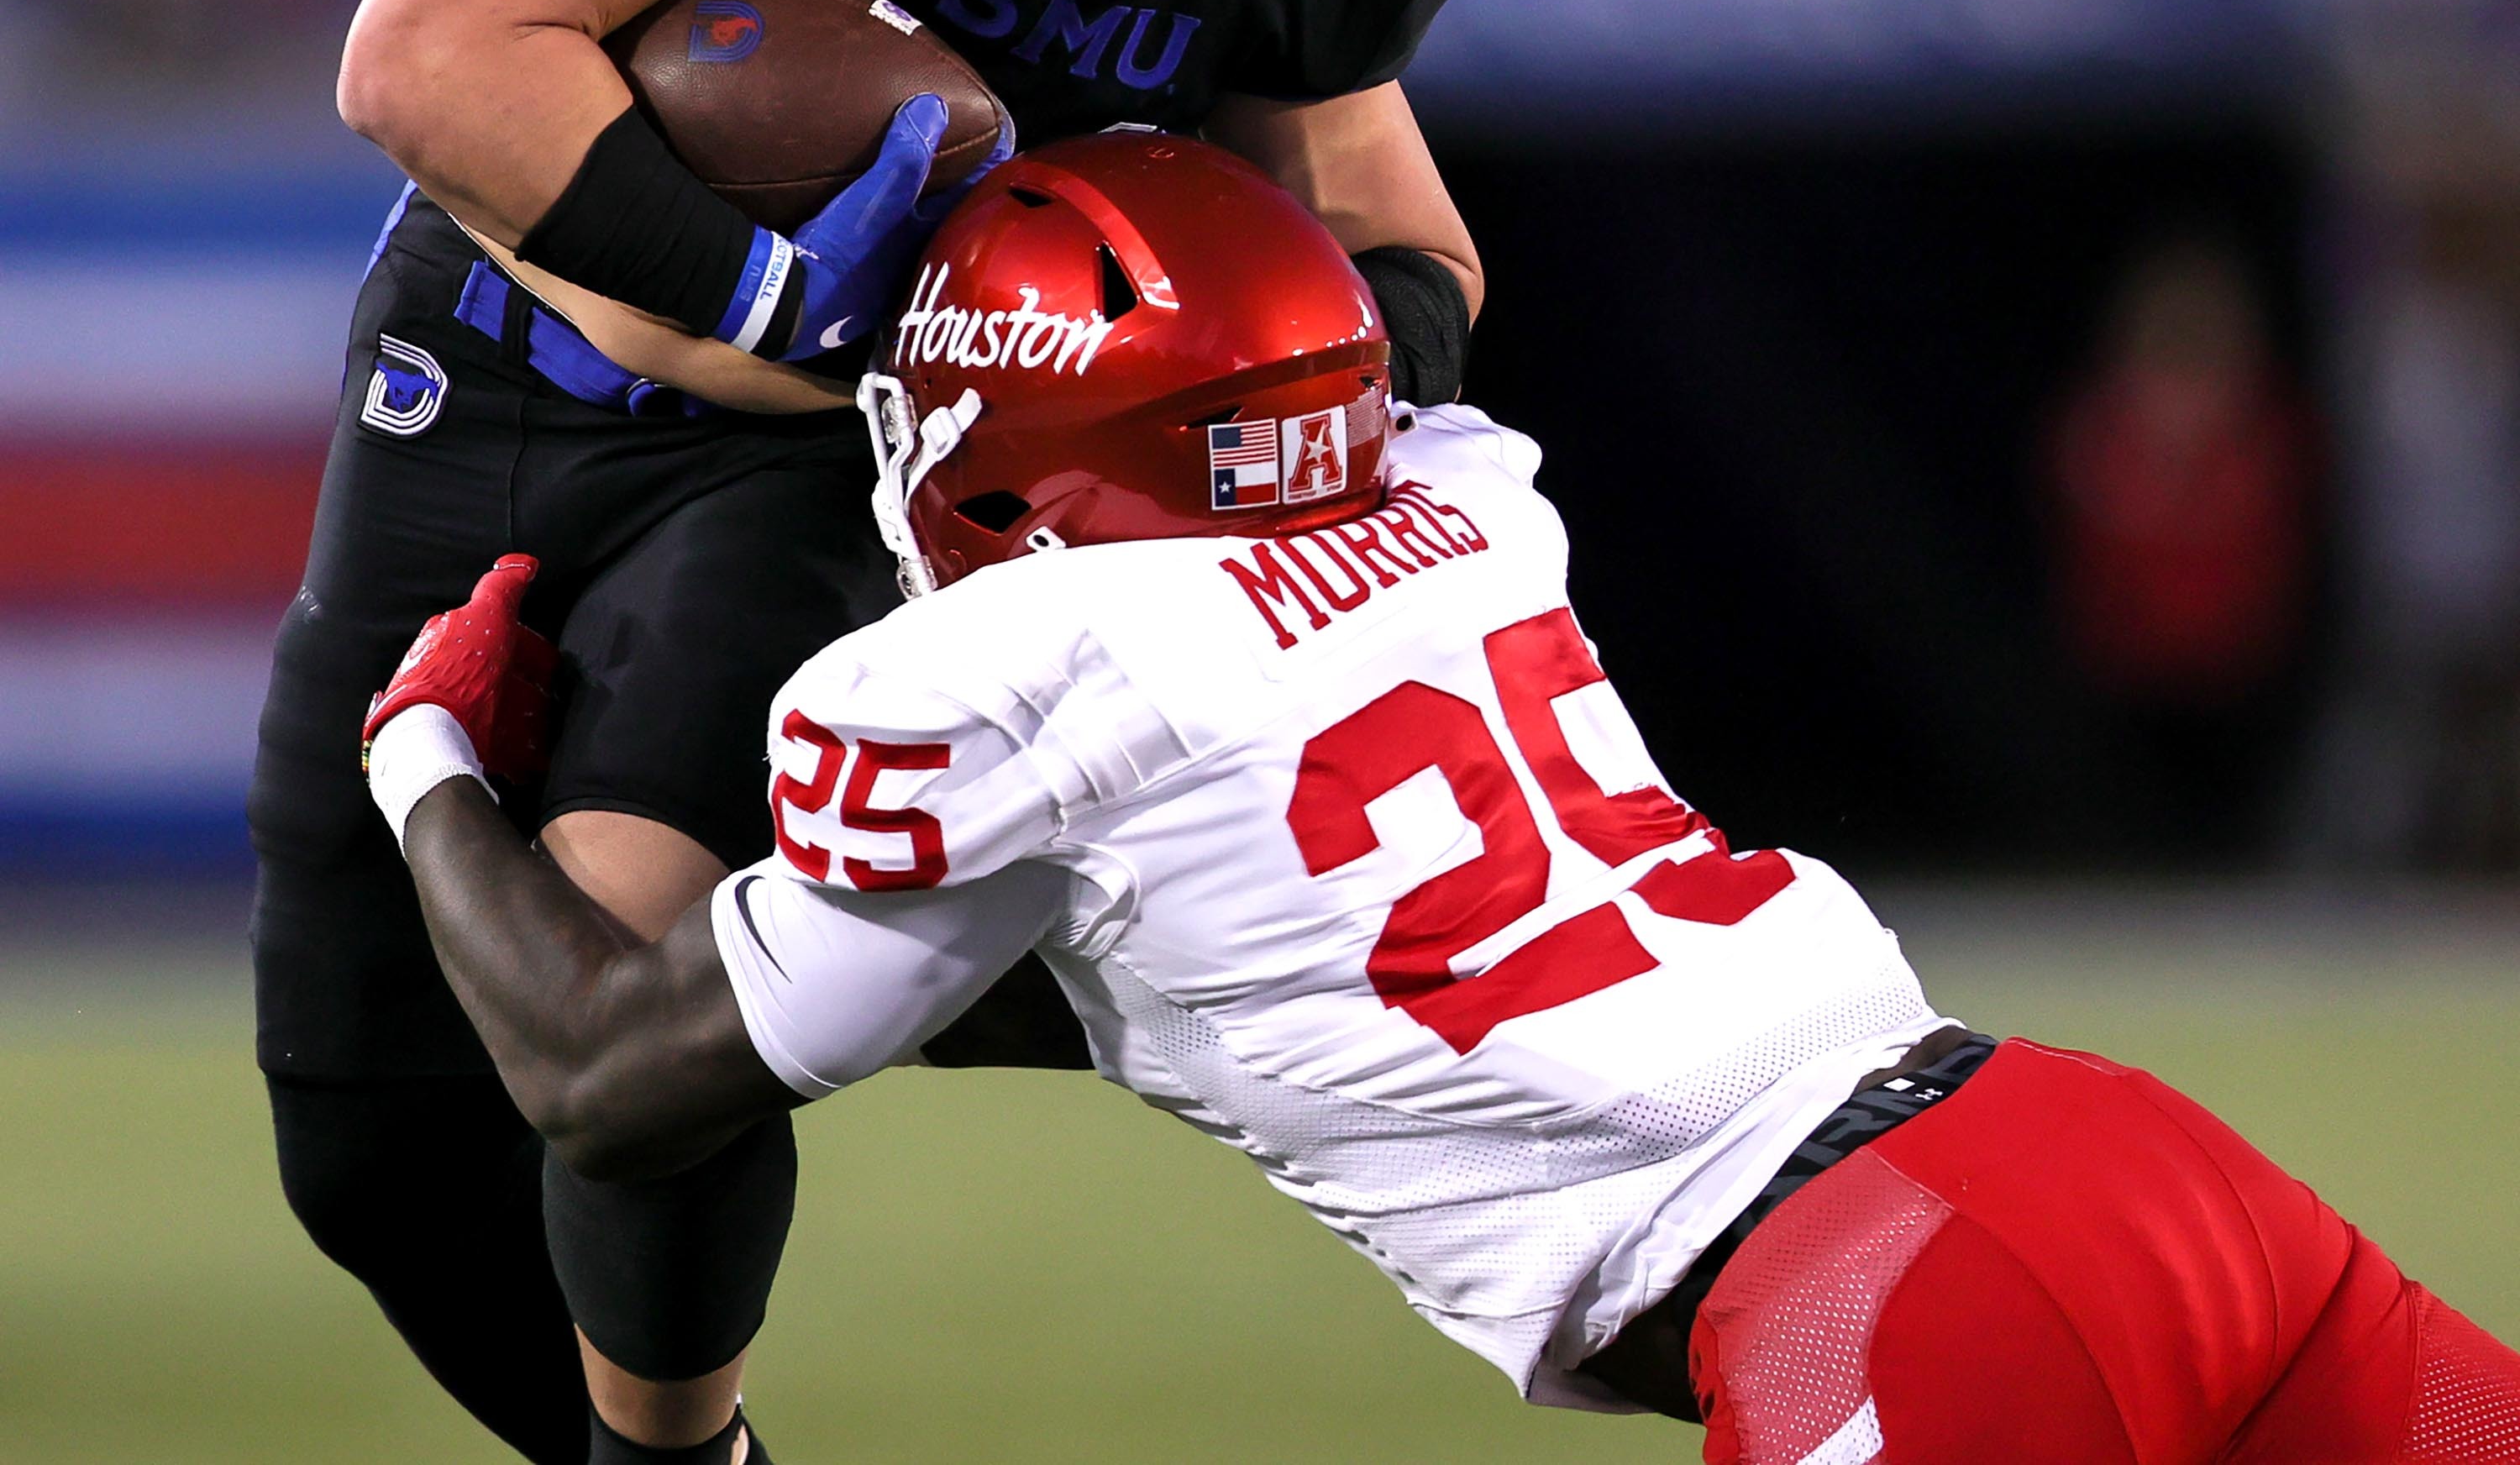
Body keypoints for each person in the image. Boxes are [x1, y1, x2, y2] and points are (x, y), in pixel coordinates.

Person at [363, 133, 2520, 1465]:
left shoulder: (1025, 671)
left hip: (1880, 1286)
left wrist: (427, 756)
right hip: (2120, 1158)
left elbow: (604, 1069)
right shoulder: (1462, 502)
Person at [255, 0, 1496, 1465]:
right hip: (511, 347)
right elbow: (427, 52)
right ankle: (969, 963)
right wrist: (779, 280)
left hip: (829, 462)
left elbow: (1394, 245)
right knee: (370, 1130)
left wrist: (1226, 377)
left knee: (622, 999)